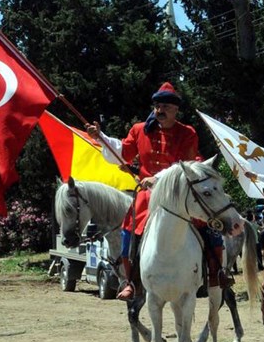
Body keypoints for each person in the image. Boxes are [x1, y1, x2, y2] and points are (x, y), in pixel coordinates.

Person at [88, 82, 208, 300]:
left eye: (165, 107)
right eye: (157, 106)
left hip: (176, 192)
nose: (160, 110)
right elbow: (123, 151)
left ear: (175, 110)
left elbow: (186, 164)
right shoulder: (139, 129)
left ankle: (212, 273)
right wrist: (100, 138)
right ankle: (131, 281)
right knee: (127, 229)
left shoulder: (187, 133)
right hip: (147, 195)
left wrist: (157, 178)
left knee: (207, 221)